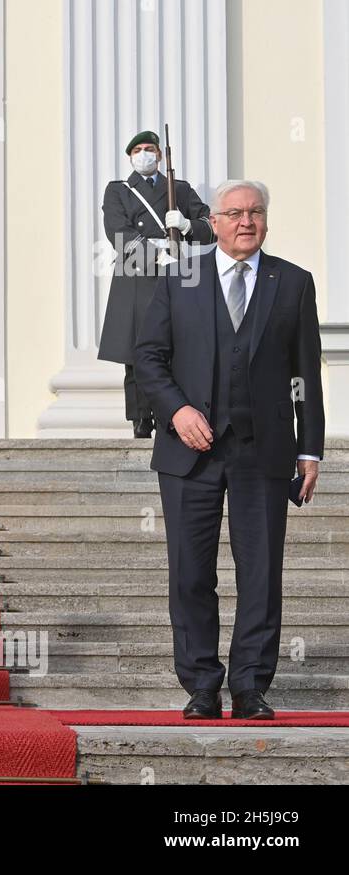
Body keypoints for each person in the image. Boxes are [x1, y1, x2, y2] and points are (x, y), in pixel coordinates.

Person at [135, 180, 324, 720]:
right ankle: (200, 685)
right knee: (190, 572)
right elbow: (149, 357)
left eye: (256, 212)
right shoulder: (179, 277)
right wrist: (176, 410)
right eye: (235, 213)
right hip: (188, 452)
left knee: (261, 574)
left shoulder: (292, 282)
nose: (246, 221)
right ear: (212, 222)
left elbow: (305, 374)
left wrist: (309, 448)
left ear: (266, 221)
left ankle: (250, 687)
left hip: (263, 453)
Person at [99, 129, 215, 438]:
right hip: (135, 272)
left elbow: (211, 226)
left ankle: (173, 413)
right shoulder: (119, 191)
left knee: (178, 346)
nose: (144, 155)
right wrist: (154, 254)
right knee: (136, 350)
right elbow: (117, 231)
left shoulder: (179, 189)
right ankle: (140, 418)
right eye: (137, 150)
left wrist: (189, 225)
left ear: (160, 155)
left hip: (177, 271)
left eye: (149, 149)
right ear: (130, 157)